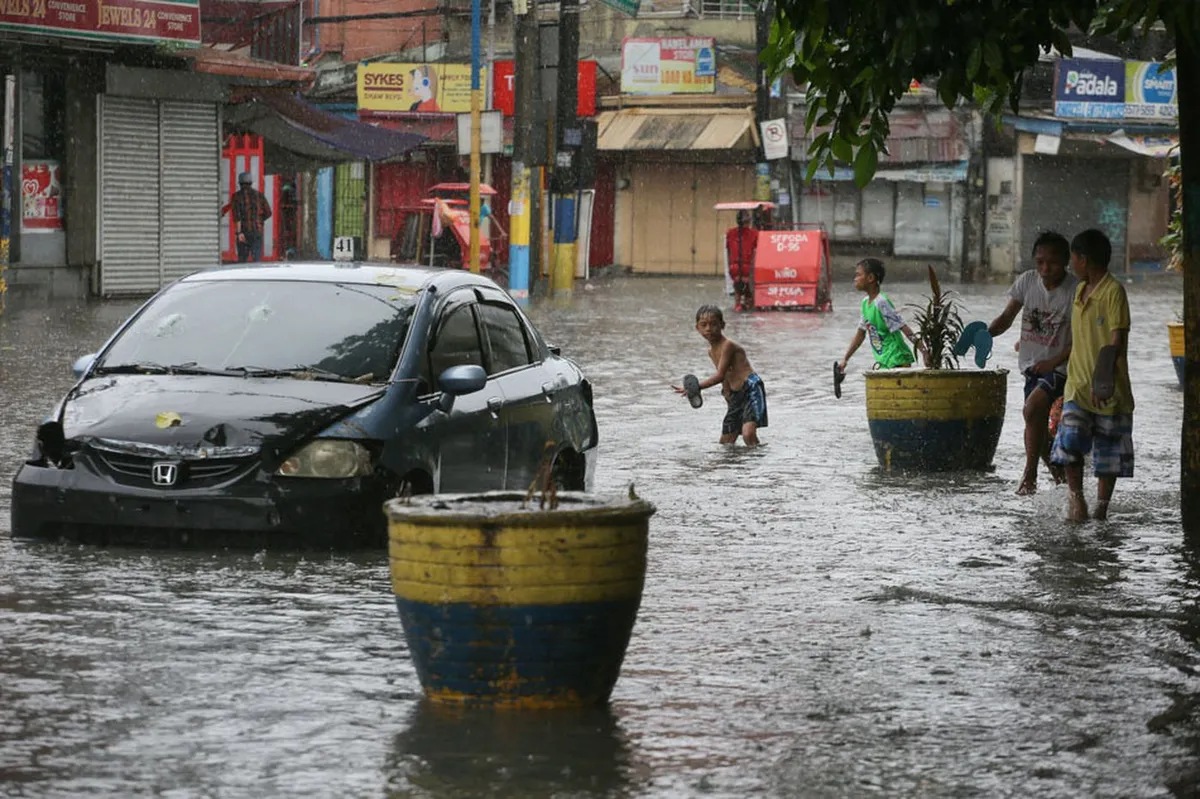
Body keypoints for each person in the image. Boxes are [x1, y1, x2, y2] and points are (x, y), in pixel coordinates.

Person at [1049, 228, 1134, 522]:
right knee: (1070, 443)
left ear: (1084, 259)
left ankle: (1101, 509)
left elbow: (1116, 342)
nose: (1071, 264)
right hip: (1077, 387)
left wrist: (1104, 382)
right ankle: (1077, 501)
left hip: (1109, 389)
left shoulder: (1114, 292)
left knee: (1108, 457)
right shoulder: (1078, 291)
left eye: (1073, 257)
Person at [987, 231, 1078, 495]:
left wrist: (1054, 362)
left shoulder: (1075, 290)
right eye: (1039, 262)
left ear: (1065, 262)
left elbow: (1083, 339)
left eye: (1052, 263)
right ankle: (1064, 482)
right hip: (1030, 367)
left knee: (1031, 410)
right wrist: (984, 334)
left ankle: (1029, 477)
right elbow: (1006, 317)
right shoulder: (1027, 281)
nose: (1045, 269)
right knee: (1034, 423)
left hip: (1061, 368)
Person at [673, 304, 767, 446]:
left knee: (748, 434)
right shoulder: (711, 351)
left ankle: (760, 464)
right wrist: (727, 395)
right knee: (726, 441)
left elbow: (720, 375)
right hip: (735, 393)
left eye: (713, 324)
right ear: (697, 328)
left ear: (722, 325)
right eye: (703, 325)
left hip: (750, 388)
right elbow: (726, 377)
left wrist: (696, 388)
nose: (708, 329)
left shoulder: (728, 345)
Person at [839, 257, 927, 373]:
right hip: (884, 361)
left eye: (858, 275)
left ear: (870, 278)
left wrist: (924, 351)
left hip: (897, 359)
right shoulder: (865, 303)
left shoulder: (881, 302)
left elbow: (903, 328)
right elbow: (860, 334)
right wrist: (845, 359)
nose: (855, 279)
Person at [228, 172, 272, 262]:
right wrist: (259, 220)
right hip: (257, 232)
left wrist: (239, 233)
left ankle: (243, 275)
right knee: (256, 259)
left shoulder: (236, 196)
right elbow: (268, 212)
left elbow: (237, 216)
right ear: (251, 182)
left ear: (239, 183)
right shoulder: (259, 195)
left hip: (244, 233)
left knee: (242, 260)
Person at [725, 210, 757, 312]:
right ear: (748, 221)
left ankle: (738, 305)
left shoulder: (730, 233)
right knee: (750, 294)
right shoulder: (754, 234)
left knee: (738, 291)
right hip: (748, 270)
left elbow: (728, 250)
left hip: (734, 269)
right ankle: (748, 304)